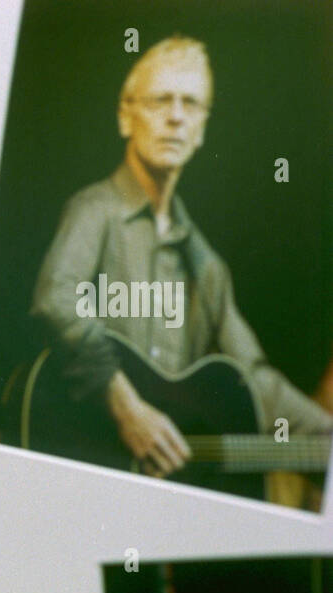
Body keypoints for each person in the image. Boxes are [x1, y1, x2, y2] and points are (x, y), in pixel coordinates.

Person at [30, 36, 332, 479]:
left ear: (202, 129)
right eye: (159, 101)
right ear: (125, 117)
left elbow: (254, 379)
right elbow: (56, 302)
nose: (175, 116)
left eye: (190, 104)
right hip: (83, 467)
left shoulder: (207, 266)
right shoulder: (95, 210)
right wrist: (126, 410)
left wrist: (323, 433)